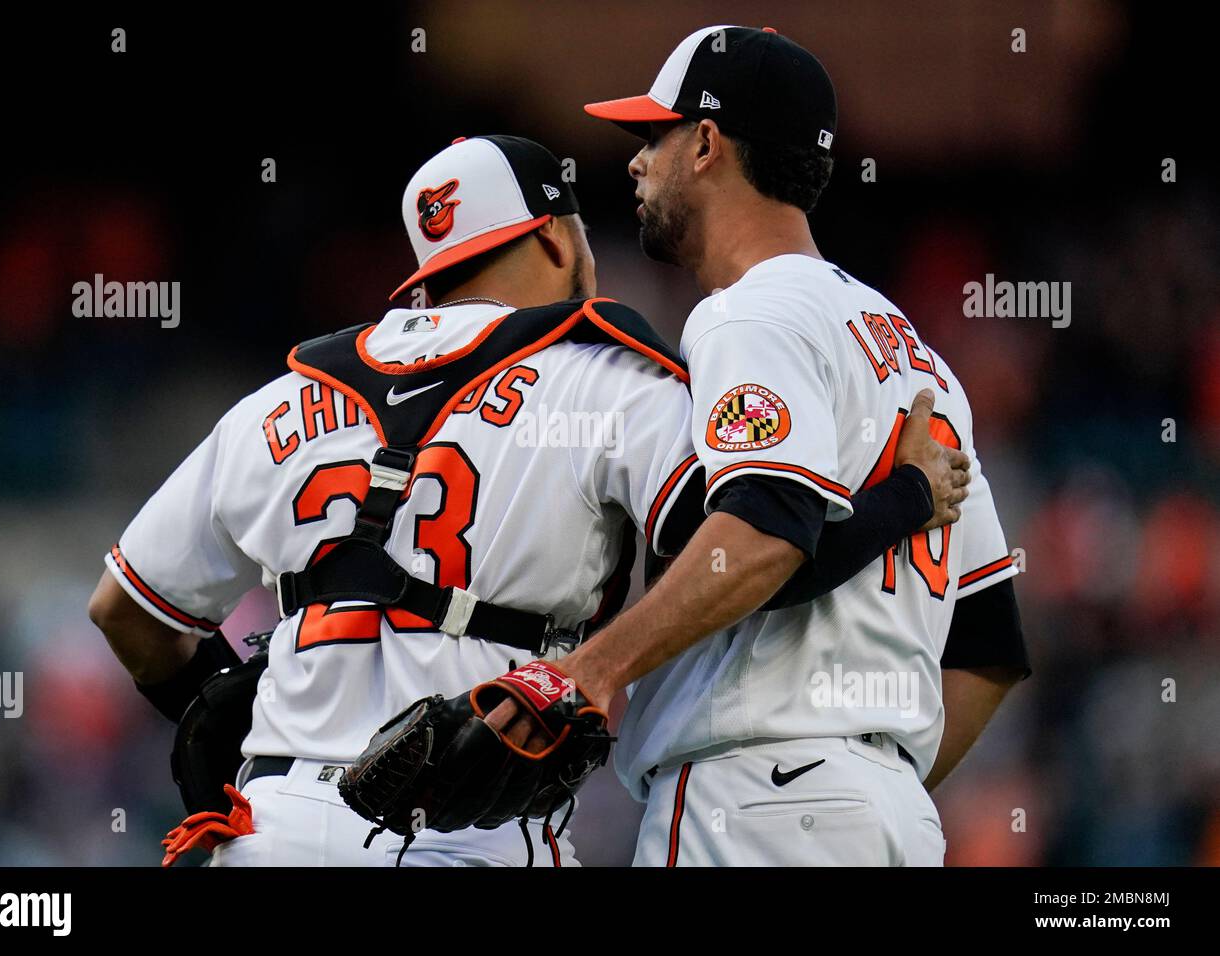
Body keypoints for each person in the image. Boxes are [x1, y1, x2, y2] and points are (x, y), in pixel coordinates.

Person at [88, 132, 967, 868]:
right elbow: (753, 559)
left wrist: (229, 694)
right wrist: (904, 496)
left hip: (268, 830)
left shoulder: (278, 400)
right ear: (555, 240)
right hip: (465, 833)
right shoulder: (614, 381)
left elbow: (124, 611)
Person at [479, 26, 1030, 867]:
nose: (635, 163)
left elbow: (765, 532)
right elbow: (991, 648)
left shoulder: (752, 313)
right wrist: (874, 792)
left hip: (754, 796)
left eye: (652, 137)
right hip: (892, 819)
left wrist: (591, 671)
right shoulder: (918, 357)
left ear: (705, 144)